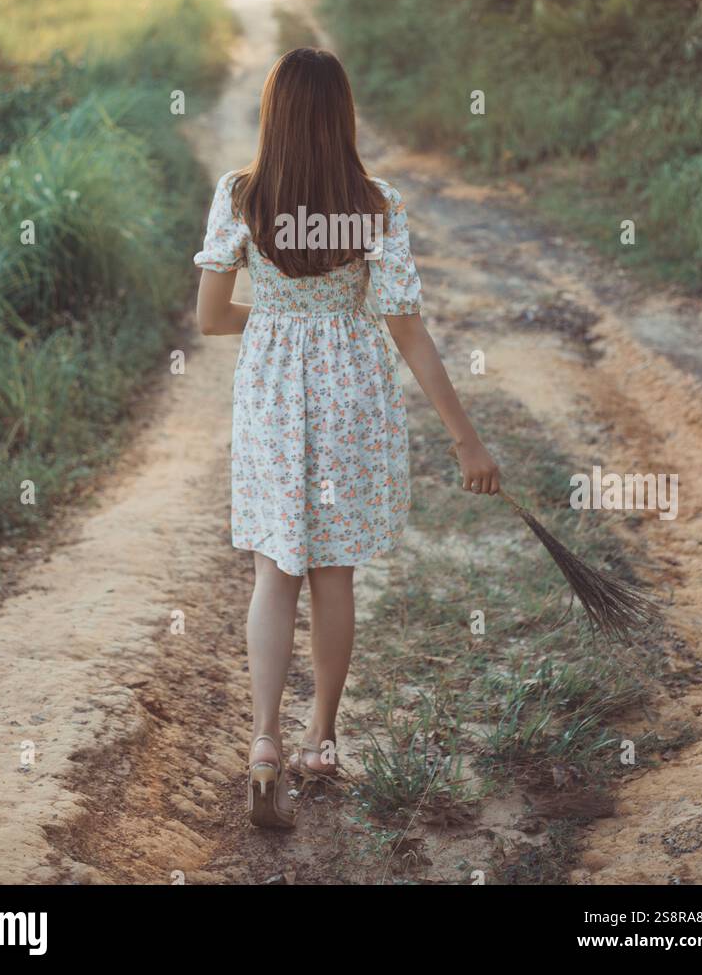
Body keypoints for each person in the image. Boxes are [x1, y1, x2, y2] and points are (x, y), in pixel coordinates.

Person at [194, 47, 500, 829]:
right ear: (343, 118)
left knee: (274, 573)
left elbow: (208, 317)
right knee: (334, 574)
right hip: (350, 400)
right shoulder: (377, 203)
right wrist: (467, 441)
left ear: (274, 116)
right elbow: (410, 334)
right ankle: (320, 738)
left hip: (271, 394)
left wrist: (272, 321)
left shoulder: (240, 196)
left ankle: (263, 742)